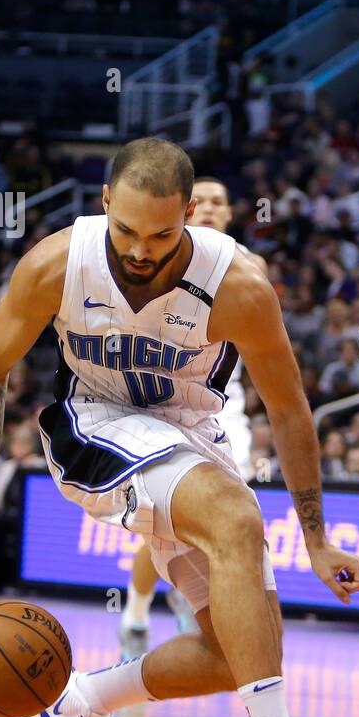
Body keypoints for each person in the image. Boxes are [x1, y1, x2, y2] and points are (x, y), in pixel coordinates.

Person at [0, 137, 359, 717]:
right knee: (234, 517)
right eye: (125, 229)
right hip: (92, 425)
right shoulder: (56, 263)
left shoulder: (239, 286)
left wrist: (315, 537)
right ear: (104, 203)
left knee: (235, 655)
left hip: (191, 434)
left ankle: (77, 700)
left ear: (190, 214)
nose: (138, 248)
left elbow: (288, 409)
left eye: (160, 233)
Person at [117, 176, 268, 659]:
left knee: (211, 518)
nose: (207, 208)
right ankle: (141, 608)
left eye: (218, 202)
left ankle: (179, 603)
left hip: (222, 408)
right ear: (184, 211)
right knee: (168, 524)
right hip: (157, 405)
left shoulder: (249, 266)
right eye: (198, 201)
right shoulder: (155, 261)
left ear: (228, 215)